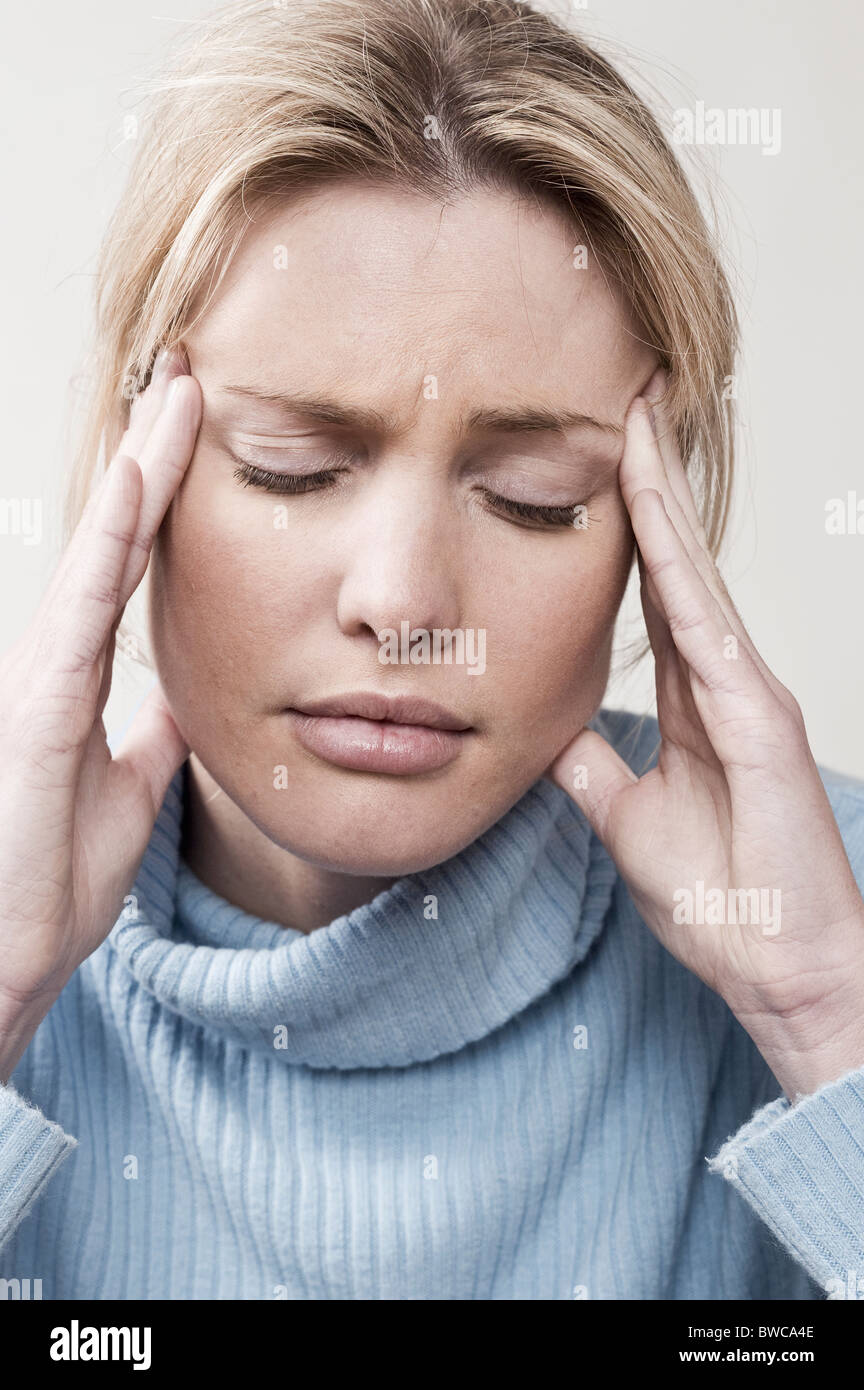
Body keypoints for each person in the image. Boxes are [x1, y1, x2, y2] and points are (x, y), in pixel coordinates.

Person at [1, 0, 863, 1301]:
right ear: (143, 466)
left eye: (529, 492)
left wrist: (829, 1023)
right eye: (291, 469)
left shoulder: (835, 922)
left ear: (648, 516)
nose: (405, 602)